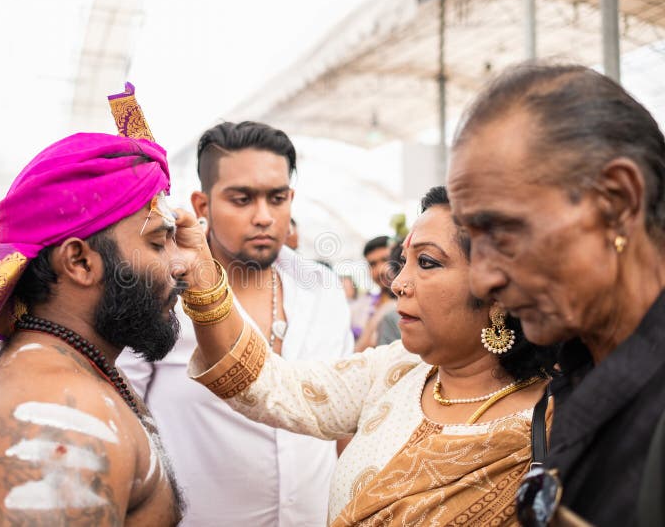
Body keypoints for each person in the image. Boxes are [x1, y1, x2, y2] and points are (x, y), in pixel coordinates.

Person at [176, 185, 556, 525]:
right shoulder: (397, 370)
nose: (398, 282)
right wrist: (203, 279)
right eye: (404, 261)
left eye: (427, 262)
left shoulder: (557, 422)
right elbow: (268, 385)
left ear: (497, 289)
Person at [0, 84, 188, 525]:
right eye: (159, 242)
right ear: (80, 262)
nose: (180, 265)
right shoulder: (61, 415)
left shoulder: (71, 371)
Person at [447, 62, 665, 526]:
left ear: (618, 201)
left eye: (502, 231)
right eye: (472, 239)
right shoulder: (576, 373)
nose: (482, 280)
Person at [118, 121, 353, 526]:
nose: (263, 216)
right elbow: (123, 422)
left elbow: (344, 419)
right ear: (203, 205)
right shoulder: (161, 295)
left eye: (277, 198)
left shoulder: (324, 292)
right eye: (242, 199)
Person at [349, 236, 395, 343]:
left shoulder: (412, 304)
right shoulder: (363, 306)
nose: (380, 270)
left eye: (385, 260)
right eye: (373, 264)